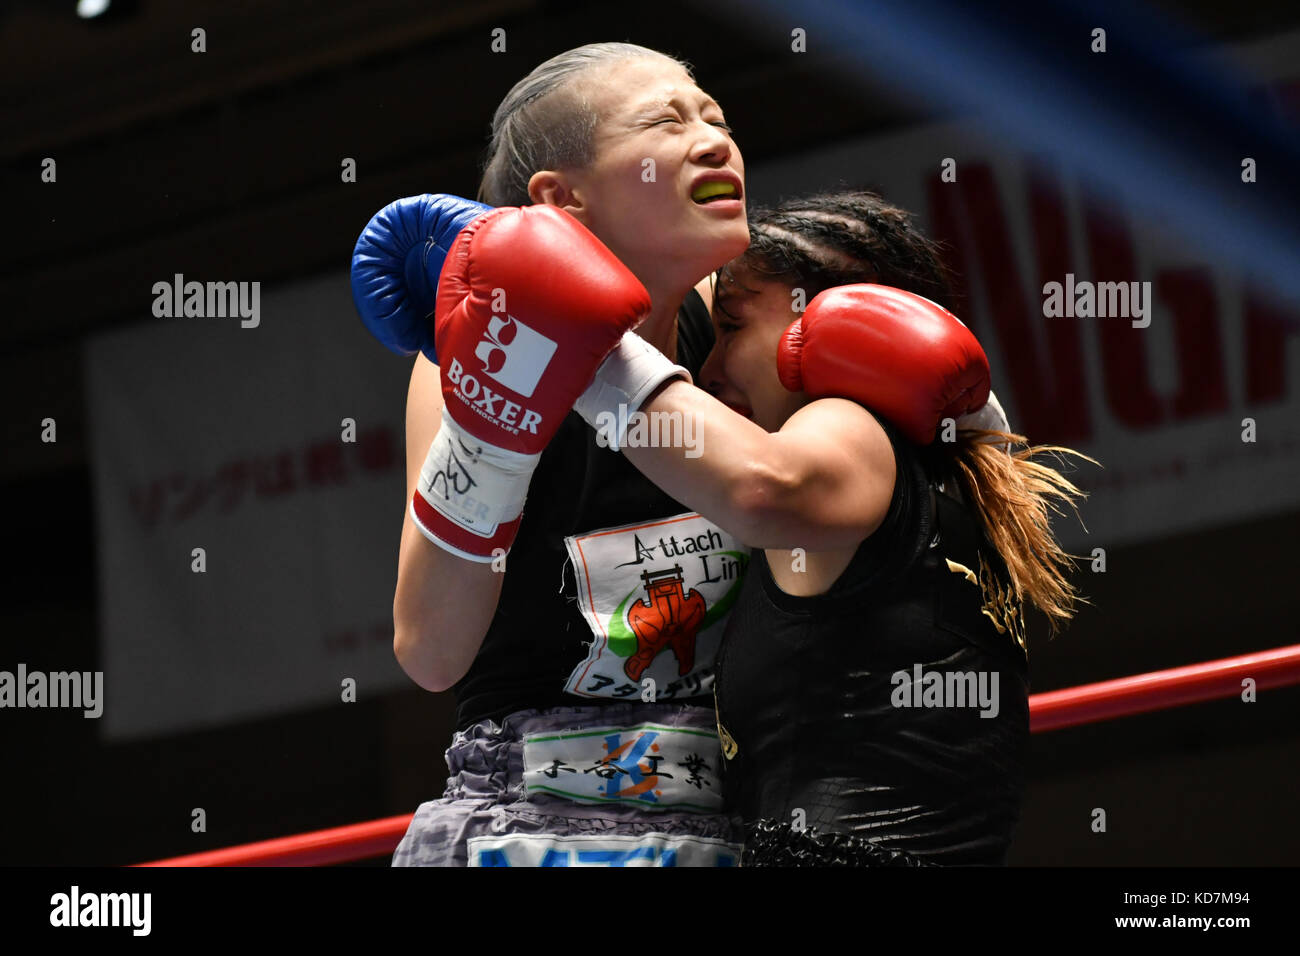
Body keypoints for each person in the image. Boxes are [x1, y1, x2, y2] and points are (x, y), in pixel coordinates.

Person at [555, 190, 1095, 865]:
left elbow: (760, 487)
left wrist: (578, 343)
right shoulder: (956, 481)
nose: (710, 368)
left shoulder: (852, 431)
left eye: (732, 326)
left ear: (833, 322)